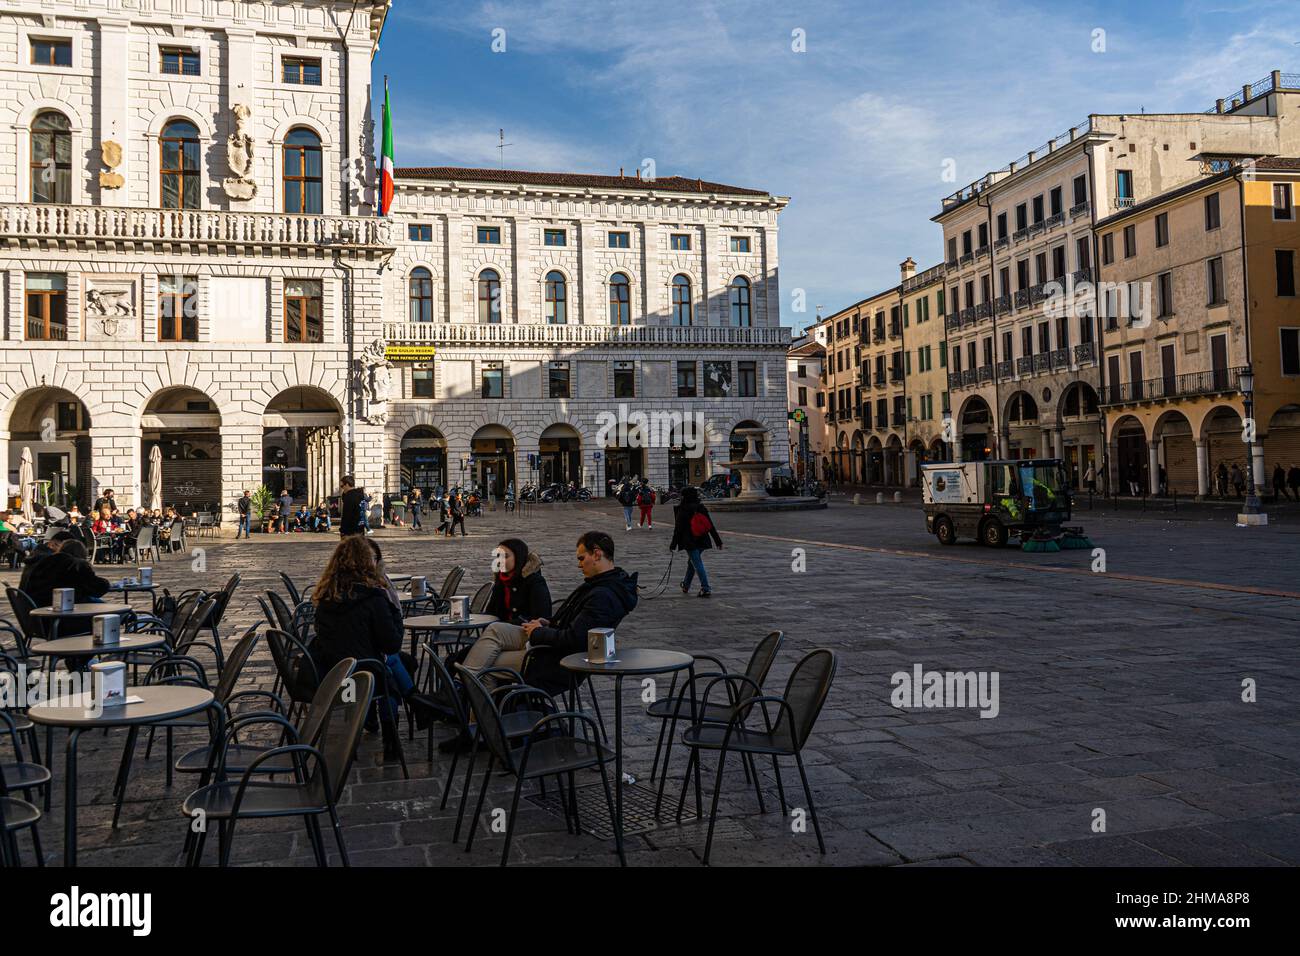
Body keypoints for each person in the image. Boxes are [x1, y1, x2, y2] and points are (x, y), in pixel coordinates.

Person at [461, 530, 637, 692]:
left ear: (597, 554)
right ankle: (461, 687)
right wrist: (548, 624)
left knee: (488, 665)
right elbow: (571, 625)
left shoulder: (603, 595)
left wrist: (539, 632)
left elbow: (575, 639)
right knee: (495, 631)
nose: (579, 565)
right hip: (549, 644)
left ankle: (482, 716)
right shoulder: (597, 585)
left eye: (581, 559)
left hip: (558, 659)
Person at [310, 535, 412, 761]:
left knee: (391, 664)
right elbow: (392, 643)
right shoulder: (373, 599)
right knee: (390, 670)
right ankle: (391, 736)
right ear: (368, 563)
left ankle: (358, 728)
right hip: (365, 675)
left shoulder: (325, 597)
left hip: (333, 675)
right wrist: (395, 612)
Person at [671, 486, 723, 598]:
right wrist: (717, 541)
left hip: (690, 541)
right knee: (692, 563)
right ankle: (686, 584)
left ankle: (705, 588)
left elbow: (678, 529)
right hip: (703, 539)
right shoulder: (701, 507)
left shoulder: (683, 509)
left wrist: (673, 544)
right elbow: (710, 525)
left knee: (697, 563)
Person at [486, 538, 552, 625]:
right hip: (499, 629)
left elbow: (541, 616)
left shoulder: (534, 581)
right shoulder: (500, 581)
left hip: (525, 631)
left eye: (505, 556)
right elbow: (491, 612)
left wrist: (504, 625)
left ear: (518, 557)